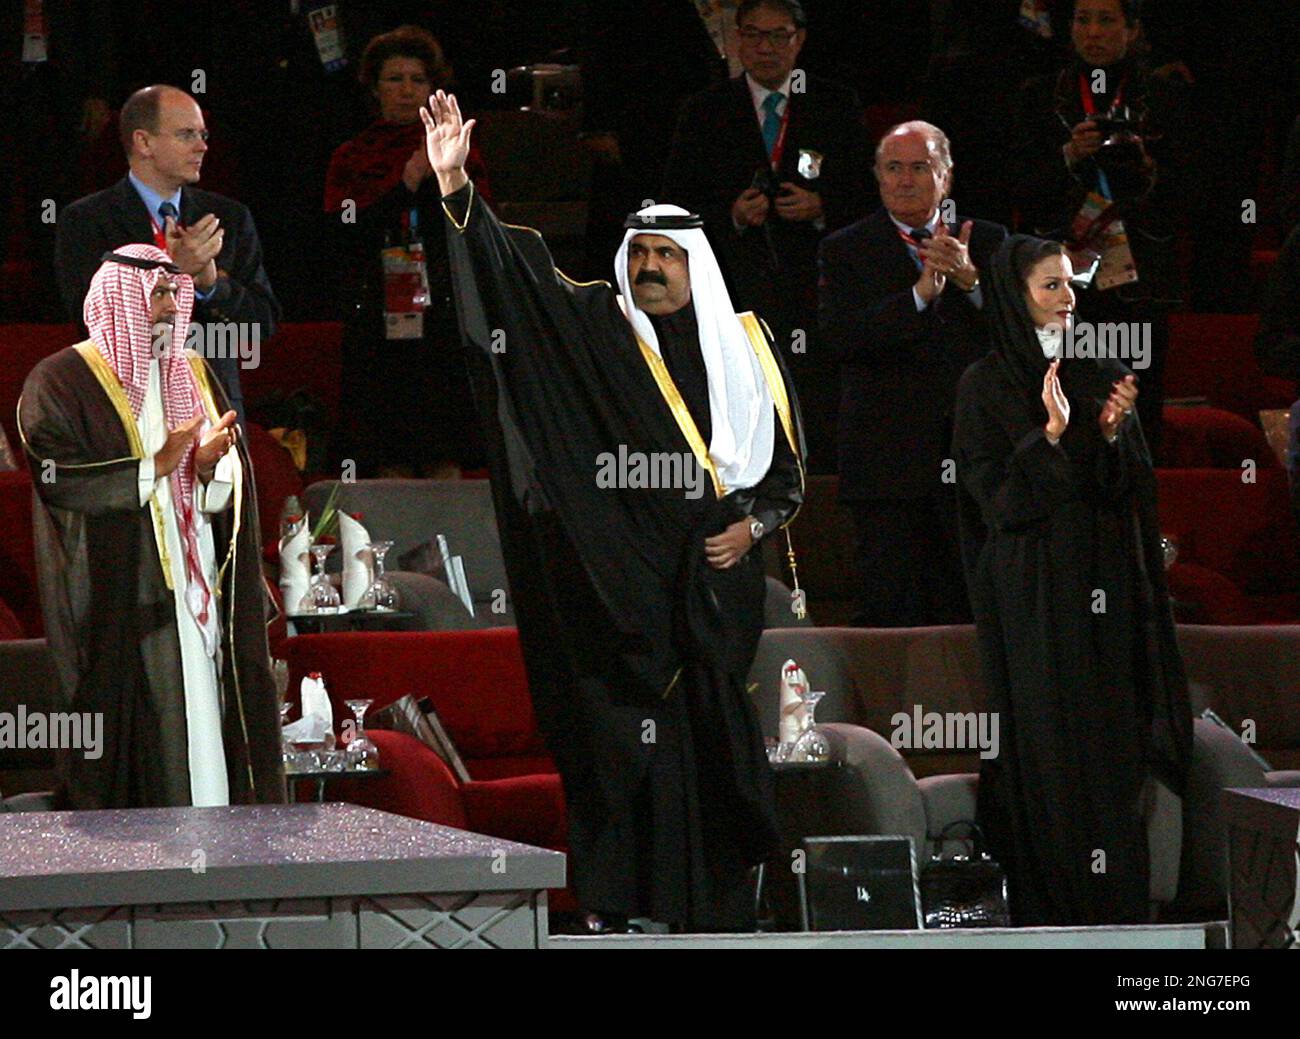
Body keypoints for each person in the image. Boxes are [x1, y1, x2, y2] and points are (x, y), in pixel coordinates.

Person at [425, 90, 805, 932]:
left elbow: (783, 475)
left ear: (696, 265)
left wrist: (755, 528)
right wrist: (458, 191)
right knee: (629, 751)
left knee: (711, 751)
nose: (650, 271)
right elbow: (517, 284)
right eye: (640, 257)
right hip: (618, 594)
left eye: (667, 257)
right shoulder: (600, 327)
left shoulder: (747, 347)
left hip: (716, 596)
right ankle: (620, 910)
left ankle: (713, 912)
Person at [951, 235, 1192, 925]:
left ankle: (1119, 913)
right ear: (1012, 293)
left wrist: (1113, 434)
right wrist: (1048, 437)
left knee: (1109, 748)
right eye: (1050, 285)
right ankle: (1053, 913)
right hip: (1032, 596)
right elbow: (997, 503)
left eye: (1069, 284)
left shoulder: (1100, 370)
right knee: (1049, 748)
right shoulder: (985, 385)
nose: (1067, 298)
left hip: (1102, 590)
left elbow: (1127, 496)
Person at [18, 244, 284, 810]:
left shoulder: (192, 371)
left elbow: (222, 483)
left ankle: (224, 869)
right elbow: (56, 475)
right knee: (149, 745)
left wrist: (210, 468)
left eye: (173, 293)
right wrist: (154, 466)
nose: (168, 306)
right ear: (119, 299)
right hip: (121, 603)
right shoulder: (63, 381)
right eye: (156, 294)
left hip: (199, 589)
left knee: (210, 736)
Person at [662, 0, 866, 472]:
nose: (765, 47)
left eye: (778, 36)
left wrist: (822, 206)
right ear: (736, 40)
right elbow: (675, 204)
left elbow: (867, 192)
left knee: (815, 415)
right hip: (741, 290)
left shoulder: (835, 104)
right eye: (753, 35)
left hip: (818, 289)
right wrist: (730, 214)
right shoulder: (704, 111)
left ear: (800, 39)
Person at [819, 121, 1006, 626]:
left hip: (973, 464)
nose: (905, 180)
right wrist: (919, 296)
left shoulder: (988, 242)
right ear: (878, 178)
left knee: (972, 608)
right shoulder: (844, 249)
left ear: (945, 176)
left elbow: (1026, 338)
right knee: (890, 611)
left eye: (920, 168)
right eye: (893, 168)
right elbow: (841, 339)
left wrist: (972, 283)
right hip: (887, 469)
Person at [1010, 0, 1188, 461]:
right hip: (1065, 280)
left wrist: (1146, 165)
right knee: (1064, 402)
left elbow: (1198, 192)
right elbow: (1016, 189)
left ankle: (1136, 522)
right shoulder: (1040, 96)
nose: (1093, 31)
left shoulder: (1164, 96)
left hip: (1137, 280)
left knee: (1134, 403)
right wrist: (1068, 155)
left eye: (1107, 20)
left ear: (1132, 29)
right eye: (1082, 19)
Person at [55, 85, 280, 427]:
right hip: (129, 413)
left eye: (203, 134)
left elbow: (260, 328)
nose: (202, 146)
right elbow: (93, 325)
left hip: (214, 412)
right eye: (186, 134)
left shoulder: (229, 217)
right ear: (143, 142)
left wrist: (212, 287)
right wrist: (175, 274)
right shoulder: (87, 221)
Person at [324, 25, 491, 478]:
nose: (406, 90)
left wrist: (446, 174)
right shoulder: (353, 155)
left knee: (446, 449)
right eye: (394, 79)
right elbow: (341, 230)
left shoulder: (457, 151)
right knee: (385, 449)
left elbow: (481, 229)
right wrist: (405, 183)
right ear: (375, 87)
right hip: (377, 313)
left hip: (444, 312)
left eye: (417, 80)